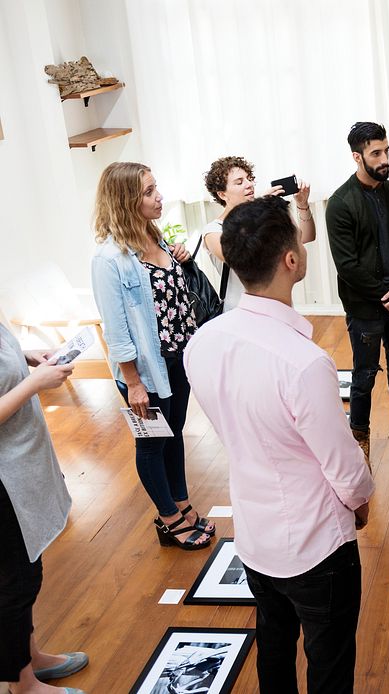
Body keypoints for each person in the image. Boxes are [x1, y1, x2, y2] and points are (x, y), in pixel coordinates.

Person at [185, 196, 374, 694]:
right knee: (329, 665)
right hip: (316, 543)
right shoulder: (303, 362)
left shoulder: (203, 340)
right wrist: (361, 502)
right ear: (292, 260)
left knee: (273, 645)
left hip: (253, 533)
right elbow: (345, 468)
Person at [91, 162, 215, 550]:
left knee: (174, 433)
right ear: (126, 200)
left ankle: (182, 504)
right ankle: (168, 519)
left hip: (178, 358)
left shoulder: (154, 237)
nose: (158, 197)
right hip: (145, 372)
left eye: (155, 188)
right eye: (148, 192)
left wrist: (181, 259)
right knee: (151, 444)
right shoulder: (109, 259)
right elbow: (116, 331)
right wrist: (133, 383)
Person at [325, 122, 389, 462]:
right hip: (366, 305)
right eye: (376, 153)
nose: (384, 160)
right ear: (357, 157)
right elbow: (348, 266)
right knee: (364, 375)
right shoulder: (340, 203)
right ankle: (359, 437)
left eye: (386, 151)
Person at [1, 324, 88, 694]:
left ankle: (29, 658)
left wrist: (25, 357)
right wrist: (34, 383)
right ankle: (22, 685)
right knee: (16, 581)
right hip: (4, 479)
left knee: (25, 568)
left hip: (19, 463)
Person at [201, 155, 316, 312]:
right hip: (241, 312)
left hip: (278, 306)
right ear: (222, 194)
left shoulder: (267, 214)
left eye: (249, 179)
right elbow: (243, 258)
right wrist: (262, 208)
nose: (249, 185)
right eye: (239, 182)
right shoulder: (213, 231)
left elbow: (306, 237)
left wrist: (302, 204)